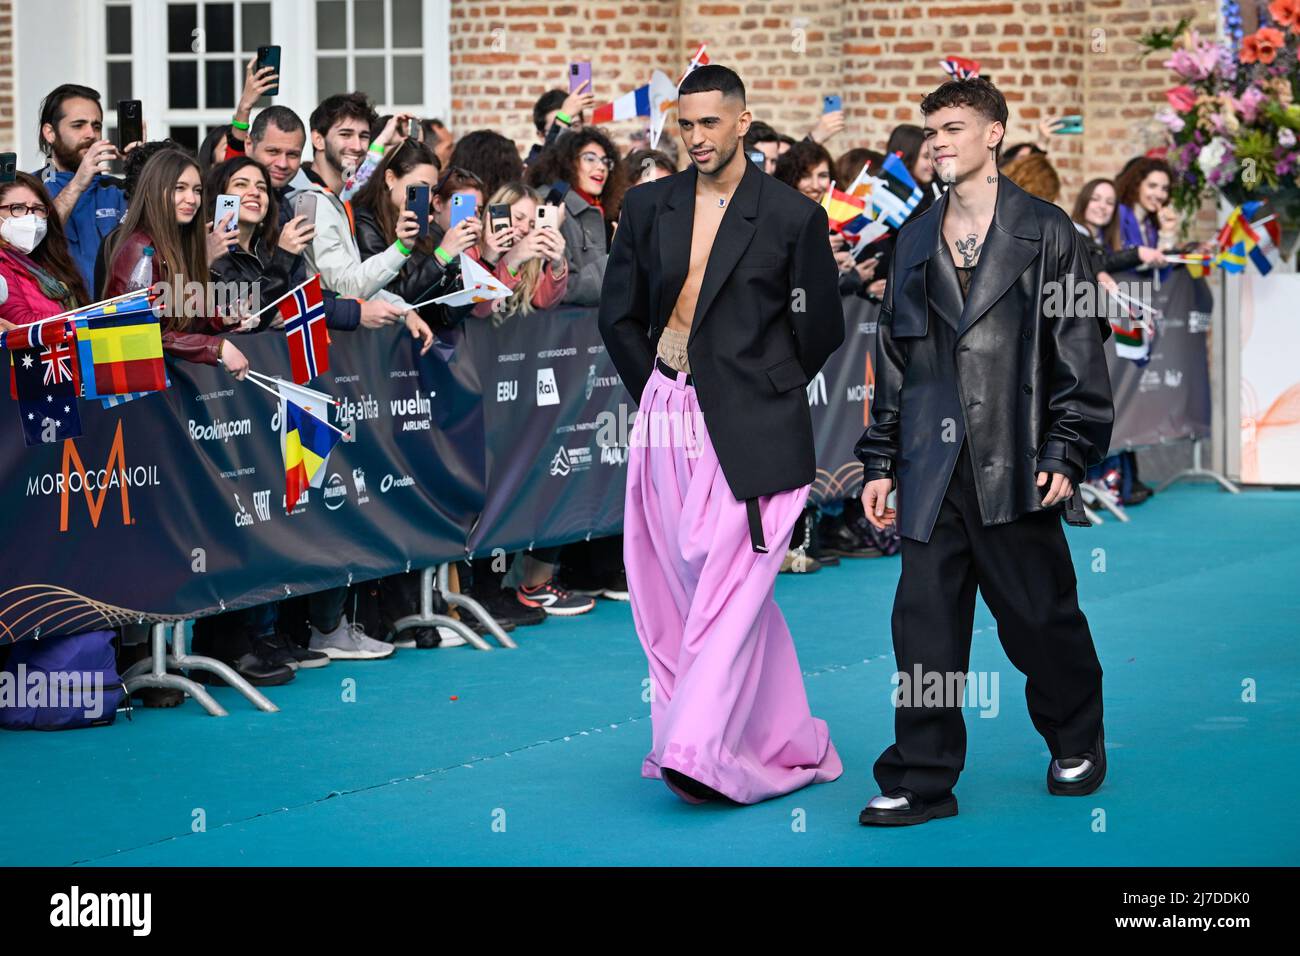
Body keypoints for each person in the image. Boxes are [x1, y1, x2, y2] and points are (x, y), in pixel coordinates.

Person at [855, 76, 1113, 826]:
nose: (937, 140)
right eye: (930, 128)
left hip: (1016, 458)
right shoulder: (911, 238)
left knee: (1040, 621)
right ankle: (922, 776)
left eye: (955, 127)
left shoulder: (1050, 231)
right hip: (931, 472)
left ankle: (1077, 735)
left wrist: (1067, 447)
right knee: (924, 635)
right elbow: (894, 360)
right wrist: (879, 460)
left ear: (993, 134)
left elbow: (1079, 349)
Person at [598, 64, 845, 805]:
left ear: (743, 121)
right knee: (677, 583)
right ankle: (782, 736)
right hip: (668, 413)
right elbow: (618, 314)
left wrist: (757, 390)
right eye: (686, 123)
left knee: (730, 585)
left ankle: (696, 750)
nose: (696, 136)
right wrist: (659, 392)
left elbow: (819, 328)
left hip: (754, 427)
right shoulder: (648, 207)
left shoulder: (791, 217)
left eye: (710, 122)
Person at [102, 149, 250, 376]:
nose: (191, 199)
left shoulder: (180, 243)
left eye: (197, 190)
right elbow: (138, 331)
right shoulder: (139, 247)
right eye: (179, 188)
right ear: (152, 192)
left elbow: (183, 321)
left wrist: (226, 318)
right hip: (137, 387)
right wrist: (218, 348)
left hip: (167, 384)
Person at [33, 84, 132, 291]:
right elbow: (32, 241)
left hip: (117, 315)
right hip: (62, 318)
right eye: (78, 125)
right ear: (49, 133)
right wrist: (77, 184)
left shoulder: (116, 189)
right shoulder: (30, 189)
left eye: (96, 126)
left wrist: (139, 167)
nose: (91, 134)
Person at [527, 126, 627, 306]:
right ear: (568, 162)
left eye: (606, 161)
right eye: (590, 158)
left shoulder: (607, 209)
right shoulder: (551, 205)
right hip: (563, 329)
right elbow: (566, 289)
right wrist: (618, 258)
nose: (601, 167)